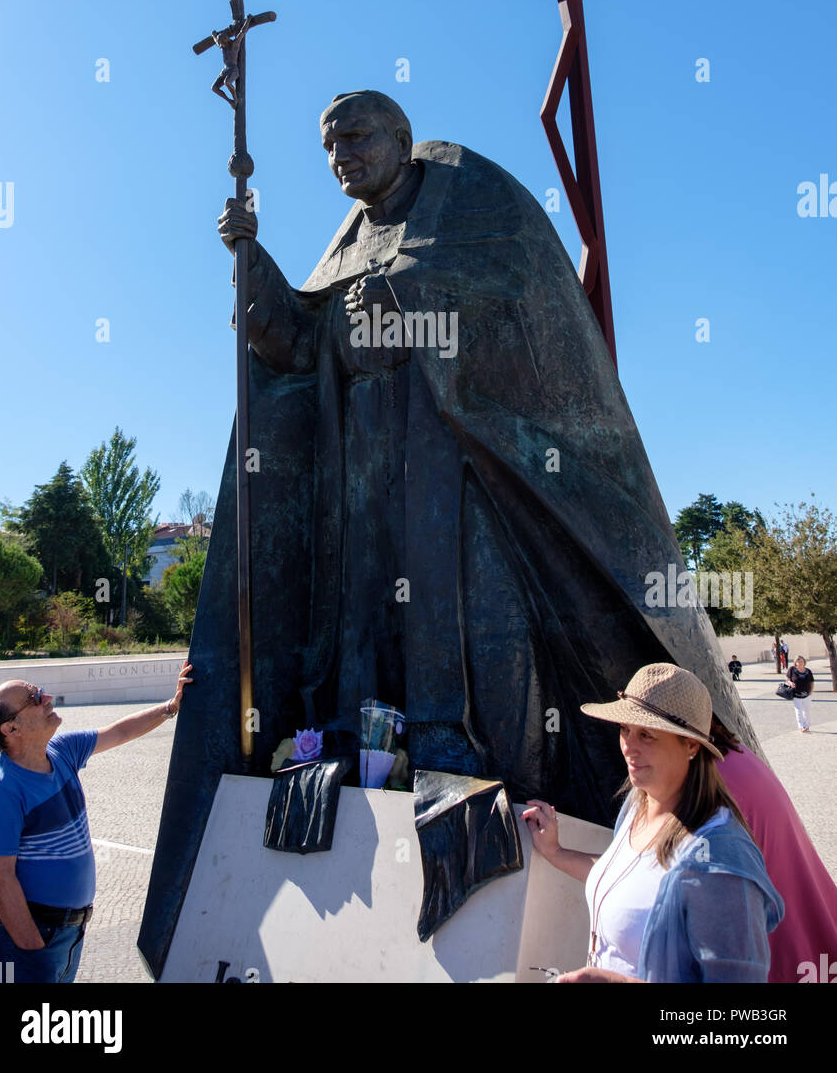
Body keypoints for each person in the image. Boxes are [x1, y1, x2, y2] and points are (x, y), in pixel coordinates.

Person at [139, 91, 758, 977]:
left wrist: (410, 298)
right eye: (327, 148)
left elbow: (519, 312)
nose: (340, 158)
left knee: (459, 611)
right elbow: (291, 338)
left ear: (398, 137)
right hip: (358, 467)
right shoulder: (346, 239)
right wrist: (249, 258)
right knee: (361, 621)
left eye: (354, 138)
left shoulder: (470, 205)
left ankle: (446, 747)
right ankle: (356, 748)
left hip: (446, 451)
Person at [523, 663, 783, 982]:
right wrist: (556, 852)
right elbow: (629, 884)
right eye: (624, 730)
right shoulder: (638, 804)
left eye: (646, 734)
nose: (629, 748)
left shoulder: (720, 861)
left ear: (691, 745)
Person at [0, 662, 192, 983]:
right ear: (11, 729)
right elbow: (1, 879)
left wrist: (171, 707)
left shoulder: (62, 751)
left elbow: (119, 732)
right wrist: (33, 948)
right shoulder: (1, 789)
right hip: (21, 941)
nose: (47, 697)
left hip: (66, 935)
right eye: (34, 697)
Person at [712, 717, 837, 983]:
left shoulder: (711, 783)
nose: (629, 745)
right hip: (809, 942)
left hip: (775, 950)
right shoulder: (739, 754)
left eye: (647, 735)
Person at [787, 656, 814, 733]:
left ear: (804, 662)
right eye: (798, 661)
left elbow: (812, 682)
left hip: (806, 695)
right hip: (796, 695)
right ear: (795, 662)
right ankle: (802, 726)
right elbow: (787, 678)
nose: (800, 662)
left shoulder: (808, 671)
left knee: (807, 711)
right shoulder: (792, 669)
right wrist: (790, 683)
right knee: (798, 711)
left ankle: (807, 725)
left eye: (802, 661)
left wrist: (811, 691)